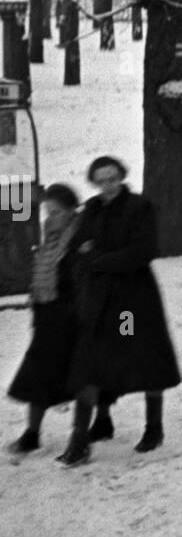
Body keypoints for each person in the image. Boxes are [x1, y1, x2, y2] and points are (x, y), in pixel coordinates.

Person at [58, 157, 182, 466]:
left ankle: (154, 428)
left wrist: (97, 259)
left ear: (121, 177)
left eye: (112, 178)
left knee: (141, 358)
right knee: (90, 364)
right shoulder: (90, 210)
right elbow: (74, 251)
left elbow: (142, 252)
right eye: (101, 181)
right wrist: (99, 258)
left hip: (132, 305)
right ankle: (82, 437)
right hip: (98, 304)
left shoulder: (139, 207)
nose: (107, 186)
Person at [6, 184, 91, 454]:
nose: (50, 217)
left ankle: (84, 435)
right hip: (48, 316)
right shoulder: (50, 236)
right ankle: (32, 433)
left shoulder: (80, 238)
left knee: (84, 376)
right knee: (38, 374)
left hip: (75, 318)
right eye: (47, 211)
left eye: (56, 212)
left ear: (71, 211)